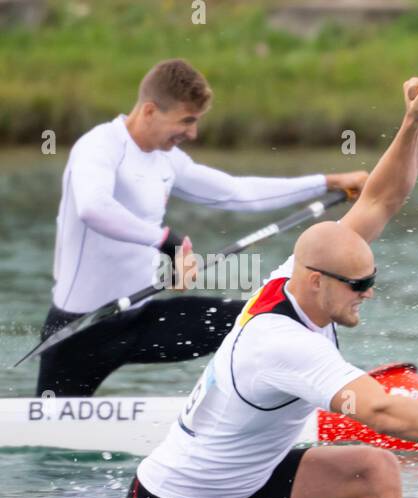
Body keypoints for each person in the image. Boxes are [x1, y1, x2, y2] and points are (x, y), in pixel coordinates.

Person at [82, 77, 418, 498]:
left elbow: (380, 200)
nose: (367, 291)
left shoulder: (301, 275)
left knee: (372, 470)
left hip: (255, 485)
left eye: (370, 278)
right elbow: (386, 413)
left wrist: (413, 121)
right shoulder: (280, 343)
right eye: (357, 283)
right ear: (315, 282)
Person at [41, 58, 369, 396]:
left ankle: (318, 395)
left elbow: (237, 192)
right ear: (150, 110)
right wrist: (166, 241)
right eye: (186, 120)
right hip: (80, 330)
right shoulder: (99, 148)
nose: (192, 133)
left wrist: (329, 182)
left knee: (255, 322)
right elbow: (92, 208)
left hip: (140, 320)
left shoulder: (166, 158)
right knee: (48, 439)